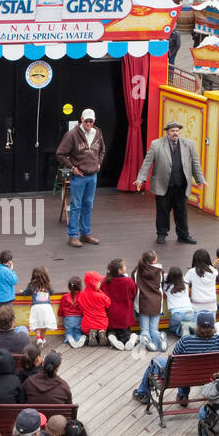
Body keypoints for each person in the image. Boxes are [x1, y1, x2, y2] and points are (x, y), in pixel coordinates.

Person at [133, 312, 219, 407]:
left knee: (156, 362)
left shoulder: (186, 341)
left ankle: (142, 394)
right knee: (185, 367)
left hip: (185, 375)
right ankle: (182, 396)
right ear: (213, 326)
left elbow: (172, 359)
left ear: (197, 325)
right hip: (208, 376)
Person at [135, 121, 206, 245]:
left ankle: (183, 235)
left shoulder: (188, 144)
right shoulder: (156, 144)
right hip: (163, 184)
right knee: (163, 211)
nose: (175, 133)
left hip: (181, 185)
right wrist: (141, 178)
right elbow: (147, 162)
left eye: (177, 131)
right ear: (167, 132)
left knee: (181, 211)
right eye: (172, 131)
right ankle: (161, 234)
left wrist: (200, 179)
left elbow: (195, 163)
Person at [56, 108, 106, 246]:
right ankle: (73, 235)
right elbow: (60, 153)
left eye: (91, 120)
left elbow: (102, 150)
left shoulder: (98, 133)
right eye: (86, 120)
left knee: (88, 205)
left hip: (92, 175)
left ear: (94, 121)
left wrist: (99, 163)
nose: (88, 123)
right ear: (81, 119)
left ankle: (85, 234)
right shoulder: (71, 135)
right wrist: (72, 168)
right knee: (76, 206)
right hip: (79, 176)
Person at [101, 258, 137, 350]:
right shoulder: (128, 281)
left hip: (111, 314)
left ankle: (112, 337)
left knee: (112, 331)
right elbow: (133, 292)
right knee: (125, 334)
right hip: (125, 315)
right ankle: (129, 340)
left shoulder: (105, 281)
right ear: (120, 270)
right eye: (124, 266)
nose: (126, 267)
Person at [134, 249, 165, 351]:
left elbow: (134, 282)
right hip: (156, 303)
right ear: (154, 260)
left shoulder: (137, 270)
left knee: (145, 330)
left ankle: (146, 339)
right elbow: (162, 284)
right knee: (154, 330)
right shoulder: (159, 272)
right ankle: (160, 338)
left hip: (143, 302)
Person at [76, 270, 111, 347]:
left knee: (88, 327)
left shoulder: (82, 294)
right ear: (93, 284)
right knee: (103, 325)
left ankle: (91, 333)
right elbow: (108, 303)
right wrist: (99, 291)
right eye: (98, 282)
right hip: (102, 322)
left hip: (87, 323)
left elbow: (81, 308)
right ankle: (102, 332)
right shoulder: (100, 296)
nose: (100, 283)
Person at [184, 249, 219, 319]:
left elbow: (185, 284)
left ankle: (185, 330)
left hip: (197, 304)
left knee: (193, 324)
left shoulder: (191, 272)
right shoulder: (214, 271)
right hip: (211, 303)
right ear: (208, 259)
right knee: (211, 326)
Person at [164, 266, 195, 338]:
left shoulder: (166, 286)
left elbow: (162, 276)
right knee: (190, 323)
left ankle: (182, 330)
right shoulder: (186, 282)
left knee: (172, 329)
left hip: (177, 314)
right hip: (190, 311)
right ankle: (190, 327)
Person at [58, 275, 85, 349]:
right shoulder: (82, 295)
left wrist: (60, 319)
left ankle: (68, 338)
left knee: (69, 331)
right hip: (79, 319)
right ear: (80, 286)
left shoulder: (65, 296)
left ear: (69, 286)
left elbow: (61, 309)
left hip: (68, 319)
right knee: (77, 331)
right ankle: (78, 338)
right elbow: (83, 308)